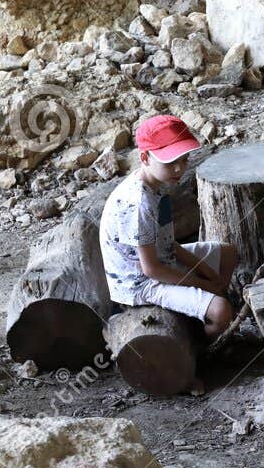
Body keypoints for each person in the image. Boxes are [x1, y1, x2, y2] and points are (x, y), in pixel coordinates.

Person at [99, 114, 239, 338]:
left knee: (228, 254)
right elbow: (151, 269)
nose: (179, 169)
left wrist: (205, 271)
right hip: (139, 283)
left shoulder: (155, 185)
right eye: (170, 162)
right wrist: (201, 284)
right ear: (145, 157)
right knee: (221, 311)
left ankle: (200, 312)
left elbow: (168, 244)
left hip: (161, 259)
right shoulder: (138, 204)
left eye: (184, 160)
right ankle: (201, 344)